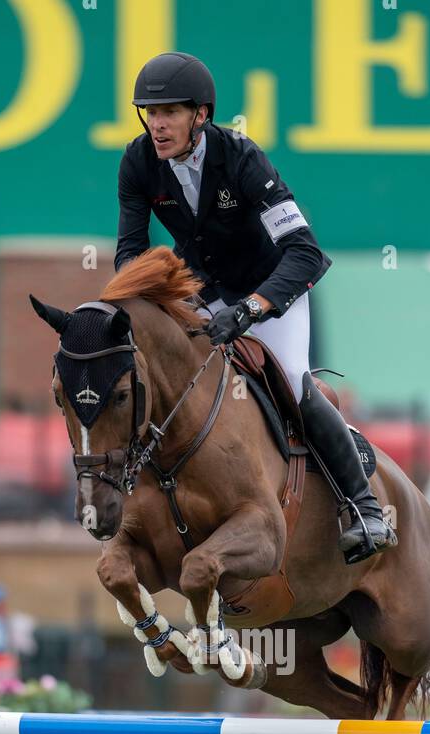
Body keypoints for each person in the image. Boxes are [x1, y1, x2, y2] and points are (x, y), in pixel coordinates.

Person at [114, 51, 395, 561]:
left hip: (273, 290)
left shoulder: (241, 158)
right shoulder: (137, 162)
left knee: (292, 382)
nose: (158, 125)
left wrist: (251, 309)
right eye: (151, 114)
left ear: (201, 115)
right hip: (200, 291)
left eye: (170, 113)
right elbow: (130, 254)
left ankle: (364, 508)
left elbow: (304, 252)